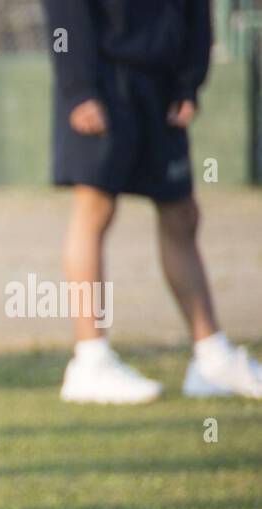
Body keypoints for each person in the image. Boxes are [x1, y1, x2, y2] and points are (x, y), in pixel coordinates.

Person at [46, 0, 262, 403]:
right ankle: (90, 359)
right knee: (95, 209)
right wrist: (78, 88)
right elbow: (65, 12)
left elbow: (197, 11)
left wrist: (189, 81)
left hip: (161, 84)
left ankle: (210, 356)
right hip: (102, 80)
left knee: (182, 214)